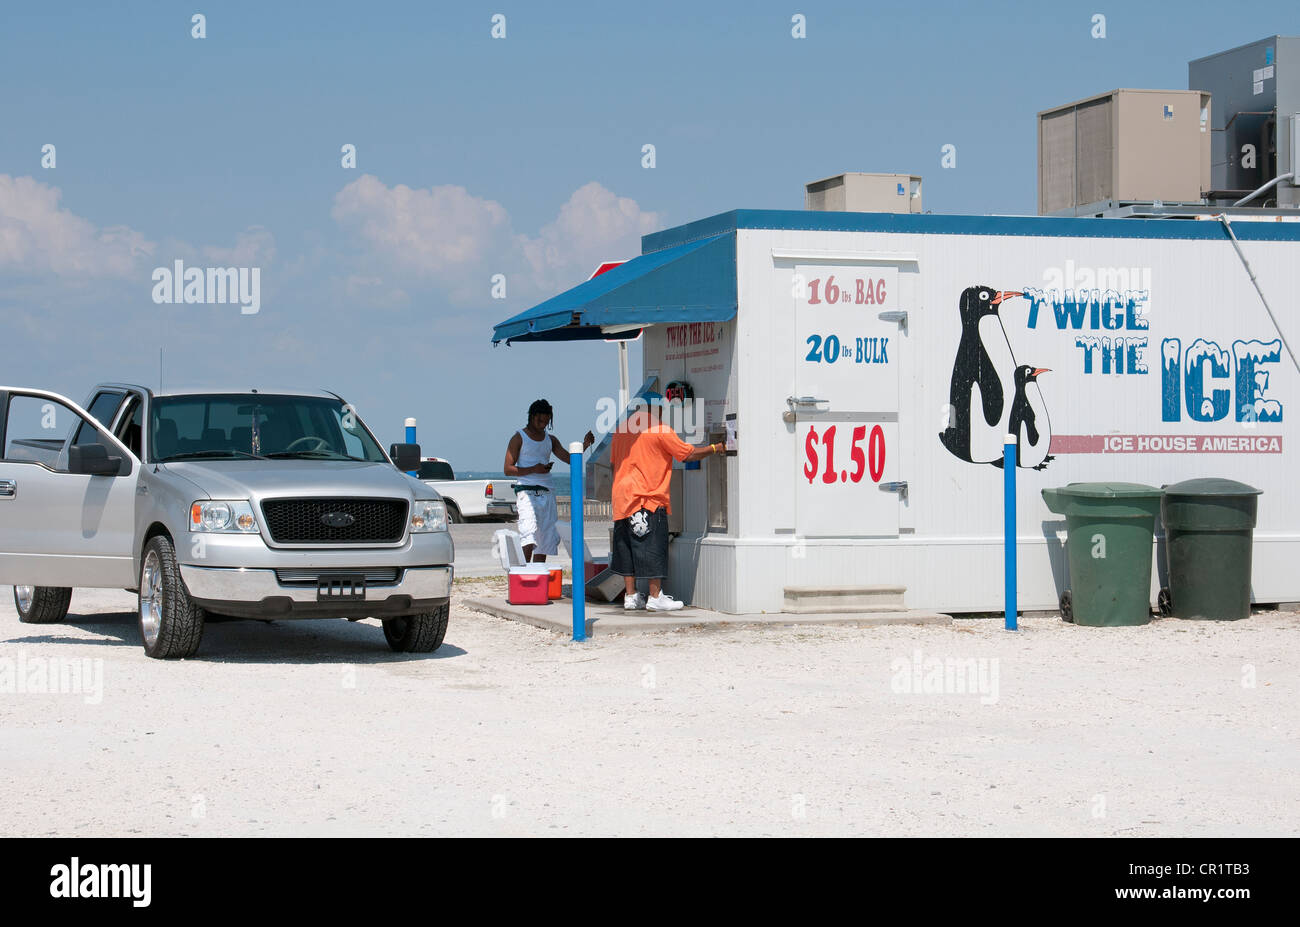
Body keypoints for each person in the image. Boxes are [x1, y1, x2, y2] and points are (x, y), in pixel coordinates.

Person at [611, 392, 724, 611]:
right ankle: (655, 597)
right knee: (653, 546)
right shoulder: (659, 430)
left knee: (626, 547)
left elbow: (615, 462)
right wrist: (715, 448)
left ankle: (631, 596)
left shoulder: (620, 430)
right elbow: (688, 454)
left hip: (621, 497)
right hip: (647, 498)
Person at [503, 399, 594, 563]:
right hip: (526, 491)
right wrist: (534, 469)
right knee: (528, 533)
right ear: (531, 416)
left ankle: (538, 577)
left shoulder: (550, 440)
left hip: (547, 491)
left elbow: (569, 459)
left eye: (546, 422)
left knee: (545, 539)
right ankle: (523, 577)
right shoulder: (518, 438)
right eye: (539, 420)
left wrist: (585, 444)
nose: (542, 425)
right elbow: (508, 469)